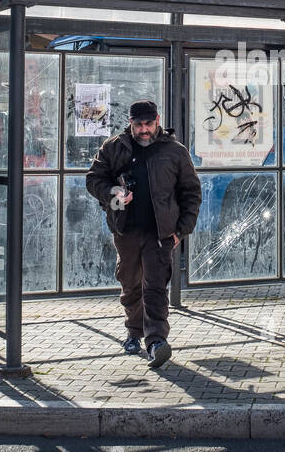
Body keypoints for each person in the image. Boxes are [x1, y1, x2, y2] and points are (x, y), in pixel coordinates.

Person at [85, 99, 202, 368]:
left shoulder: (175, 151)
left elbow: (191, 193)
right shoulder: (114, 148)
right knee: (131, 285)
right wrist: (112, 192)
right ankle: (133, 332)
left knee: (155, 287)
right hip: (125, 230)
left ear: (157, 121)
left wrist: (181, 231)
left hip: (161, 233)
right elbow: (93, 179)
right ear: (131, 123)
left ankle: (157, 341)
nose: (144, 130)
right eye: (139, 125)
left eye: (149, 124)